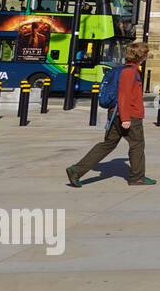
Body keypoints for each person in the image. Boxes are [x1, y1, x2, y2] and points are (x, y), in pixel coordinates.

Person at [66, 42, 153, 187]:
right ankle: (137, 177)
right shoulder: (130, 72)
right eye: (145, 54)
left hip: (117, 114)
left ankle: (76, 170)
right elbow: (123, 96)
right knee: (137, 144)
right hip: (128, 115)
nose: (146, 57)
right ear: (141, 56)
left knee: (108, 144)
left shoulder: (127, 70)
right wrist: (125, 118)